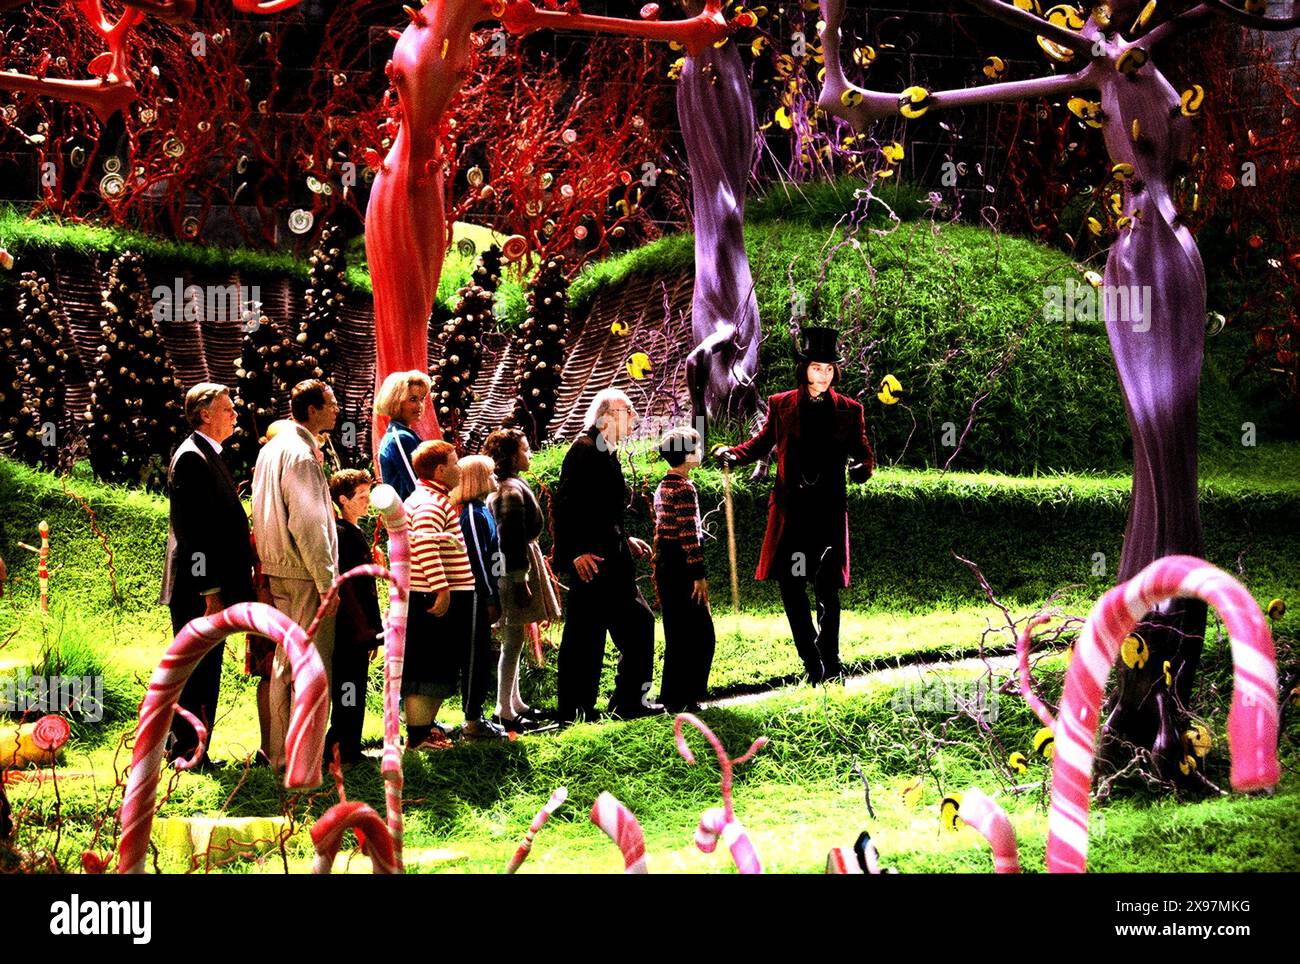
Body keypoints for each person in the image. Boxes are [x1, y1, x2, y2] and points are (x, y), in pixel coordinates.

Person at [716, 326, 875, 683]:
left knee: (826, 587)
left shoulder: (850, 410)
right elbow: (760, 443)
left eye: (830, 368)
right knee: (791, 584)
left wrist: (862, 468)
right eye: (818, 367)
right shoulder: (781, 404)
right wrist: (731, 454)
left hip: (829, 512)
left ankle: (830, 663)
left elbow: (865, 454)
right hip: (792, 513)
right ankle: (811, 658)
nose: (824, 374)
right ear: (804, 368)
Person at [158, 383, 256, 770]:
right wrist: (210, 590)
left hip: (208, 587)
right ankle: (187, 752)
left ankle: (191, 748)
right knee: (196, 671)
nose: (235, 414)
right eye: (228, 409)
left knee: (205, 670)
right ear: (204, 414)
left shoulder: (208, 454)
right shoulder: (191, 458)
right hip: (198, 589)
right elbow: (192, 532)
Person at [552, 388, 661, 723]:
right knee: (586, 636)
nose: (633, 416)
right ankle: (576, 712)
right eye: (626, 410)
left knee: (634, 625)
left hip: (610, 559)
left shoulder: (604, 450)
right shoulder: (584, 451)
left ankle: (625, 701)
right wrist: (575, 554)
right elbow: (565, 507)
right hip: (593, 564)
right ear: (605, 417)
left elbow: (600, 512)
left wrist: (624, 539)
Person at [251, 379, 341, 770]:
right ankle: (303, 759)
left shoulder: (273, 450)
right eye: (331, 403)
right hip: (304, 571)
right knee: (311, 667)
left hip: (279, 567)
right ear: (312, 409)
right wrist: (327, 580)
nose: (337, 409)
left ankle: (281, 754)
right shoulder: (301, 454)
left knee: (285, 664)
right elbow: (308, 522)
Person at [404, 440, 506, 746]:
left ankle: (422, 730)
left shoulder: (432, 498)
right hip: (435, 597)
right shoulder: (429, 503)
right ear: (439, 470)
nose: (459, 467)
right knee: (430, 668)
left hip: (436, 594)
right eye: (454, 462)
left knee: (432, 666)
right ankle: (420, 736)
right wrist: (441, 589)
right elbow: (424, 543)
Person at [482, 428, 560, 732]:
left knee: (515, 638)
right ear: (512, 455)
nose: (529, 455)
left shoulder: (509, 485)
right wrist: (520, 579)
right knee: (512, 638)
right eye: (525, 450)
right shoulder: (508, 492)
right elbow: (510, 539)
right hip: (515, 567)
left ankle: (514, 702)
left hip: (518, 563)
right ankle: (504, 707)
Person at [654, 426, 715, 713]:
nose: (700, 452)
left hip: (666, 562)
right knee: (701, 633)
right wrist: (699, 575)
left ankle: (673, 696)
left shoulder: (663, 485)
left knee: (677, 631)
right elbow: (689, 534)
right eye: (697, 447)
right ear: (687, 455)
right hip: (682, 564)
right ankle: (689, 694)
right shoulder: (684, 488)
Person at [326, 469, 384, 767]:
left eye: (368, 495)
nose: (367, 502)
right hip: (351, 629)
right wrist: (366, 630)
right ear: (343, 500)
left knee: (354, 687)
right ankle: (341, 747)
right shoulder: (342, 534)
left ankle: (347, 744)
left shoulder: (352, 532)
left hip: (359, 627)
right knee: (348, 688)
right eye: (361, 496)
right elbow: (351, 588)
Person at [454, 454, 509, 734]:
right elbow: (476, 560)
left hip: (483, 591)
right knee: (475, 657)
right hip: (475, 595)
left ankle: (474, 716)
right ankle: (472, 720)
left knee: (479, 655)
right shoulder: (473, 515)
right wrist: (490, 597)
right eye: (489, 474)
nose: (495, 479)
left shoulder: (482, 509)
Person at [375, 370, 432, 502]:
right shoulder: (399, 438)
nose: (420, 405)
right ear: (395, 402)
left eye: (422, 399)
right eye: (413, 399)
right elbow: (417, 486)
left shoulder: (402, 434)